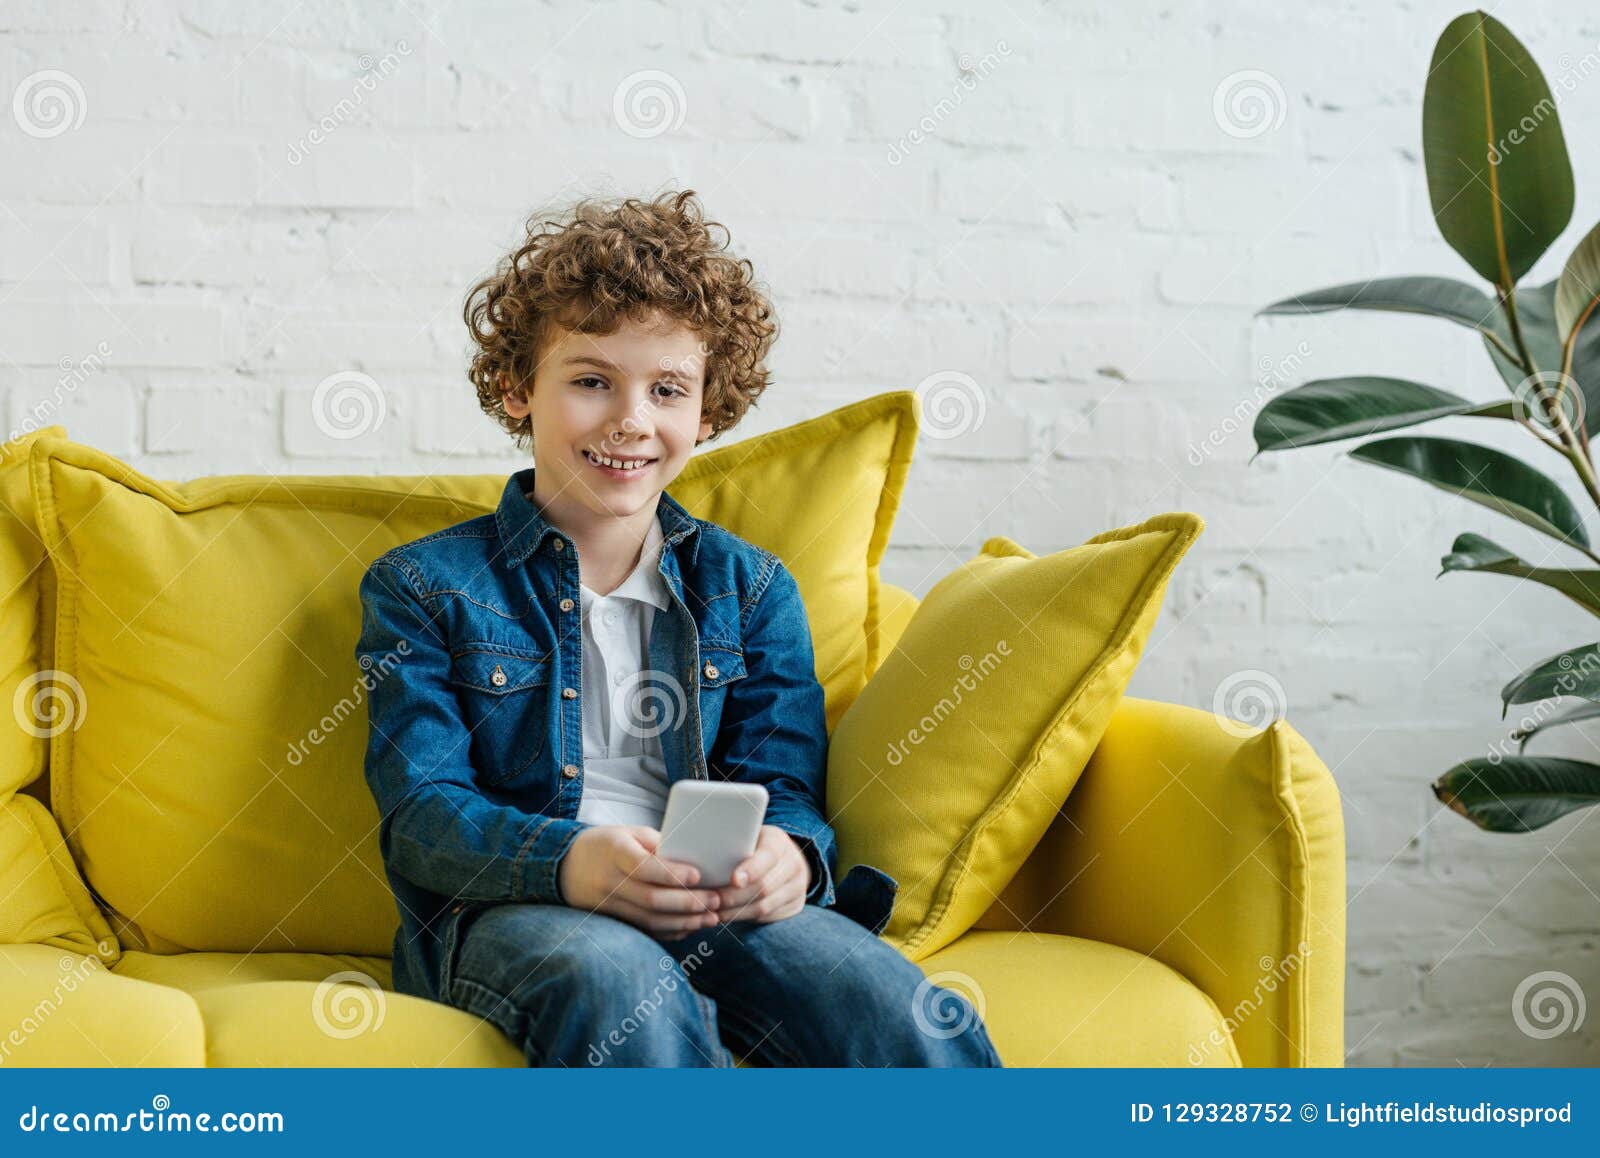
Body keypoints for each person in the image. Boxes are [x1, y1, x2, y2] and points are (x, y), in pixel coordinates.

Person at [354, 189, 1002, 1068]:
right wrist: (573, 861)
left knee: (891, 1006)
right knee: (620, 983)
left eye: (666, 390)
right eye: (591, 381)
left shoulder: (754, 586)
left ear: (706, 414)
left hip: (714, 902)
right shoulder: (424, 586)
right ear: (517, 390)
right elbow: (423, 816)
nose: (631, 419)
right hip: (519, 912)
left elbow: (789, 788)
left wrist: (792, 860)